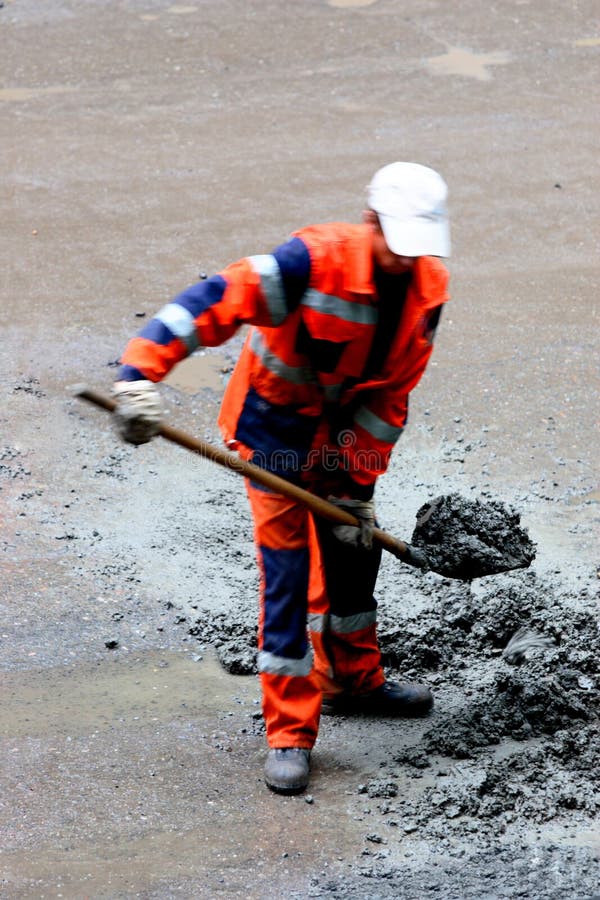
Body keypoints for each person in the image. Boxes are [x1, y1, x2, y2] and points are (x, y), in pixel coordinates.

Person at [113, 161, 451, 795]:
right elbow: (212, 300)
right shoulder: (310, 263)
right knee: (288, 577)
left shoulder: (428, 290)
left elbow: (391, 396)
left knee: (355, 556)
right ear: (371, 221)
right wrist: (139, 375)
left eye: (419, 246)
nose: (408, 259)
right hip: (275, 436)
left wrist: (357, 487)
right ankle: (290, 732)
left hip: (342, 443)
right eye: (397, 243)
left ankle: (352, 682)